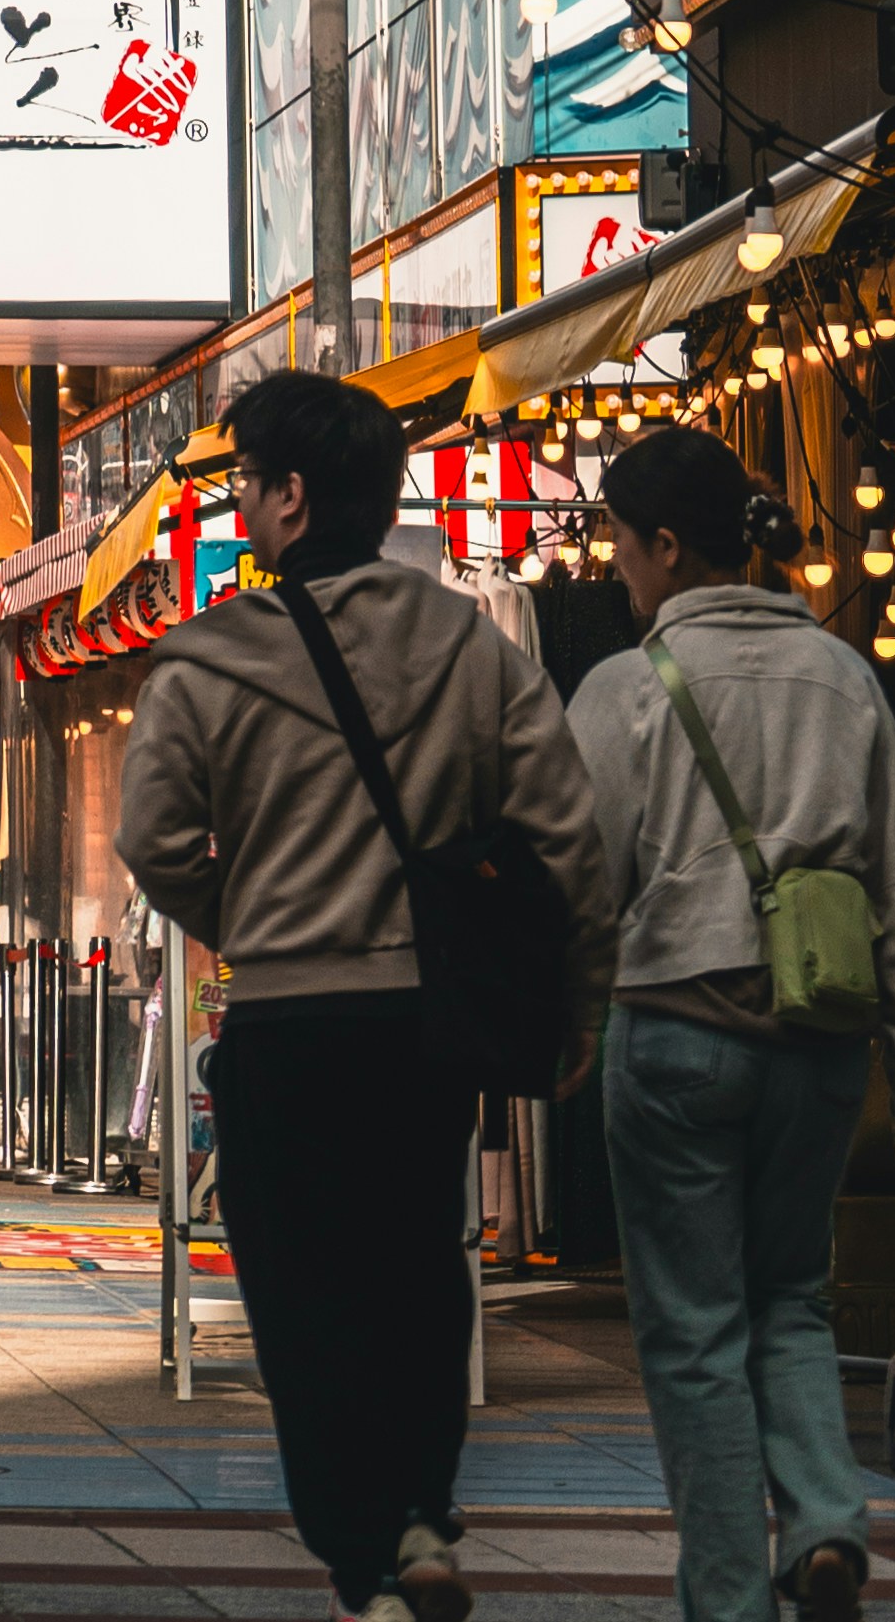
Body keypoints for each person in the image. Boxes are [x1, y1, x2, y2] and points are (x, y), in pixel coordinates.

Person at [117, 366, 612, 1622]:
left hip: (286, 1020)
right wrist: (583, 1003)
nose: (240, 503)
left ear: (288, 497)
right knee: (415, 1272)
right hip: (422, 1025)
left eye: (245, 482)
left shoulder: (207, 655)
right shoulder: (464, 638)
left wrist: (254, 923)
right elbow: (568, 829)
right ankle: (427, 1512)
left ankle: (365, 1551)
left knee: (298, 1291)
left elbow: (156, 839)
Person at [574, 423, 895, 1622]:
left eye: (622, 548)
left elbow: (581, 877)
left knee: (694, 1329)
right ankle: (831, 1526)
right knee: (792, 1296)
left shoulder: (628, 686)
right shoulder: (842, 675)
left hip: (677, 1035)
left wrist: (557, 1023)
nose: (619, 571)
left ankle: (733, 1592)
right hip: (821, 1045)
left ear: (667, 543)